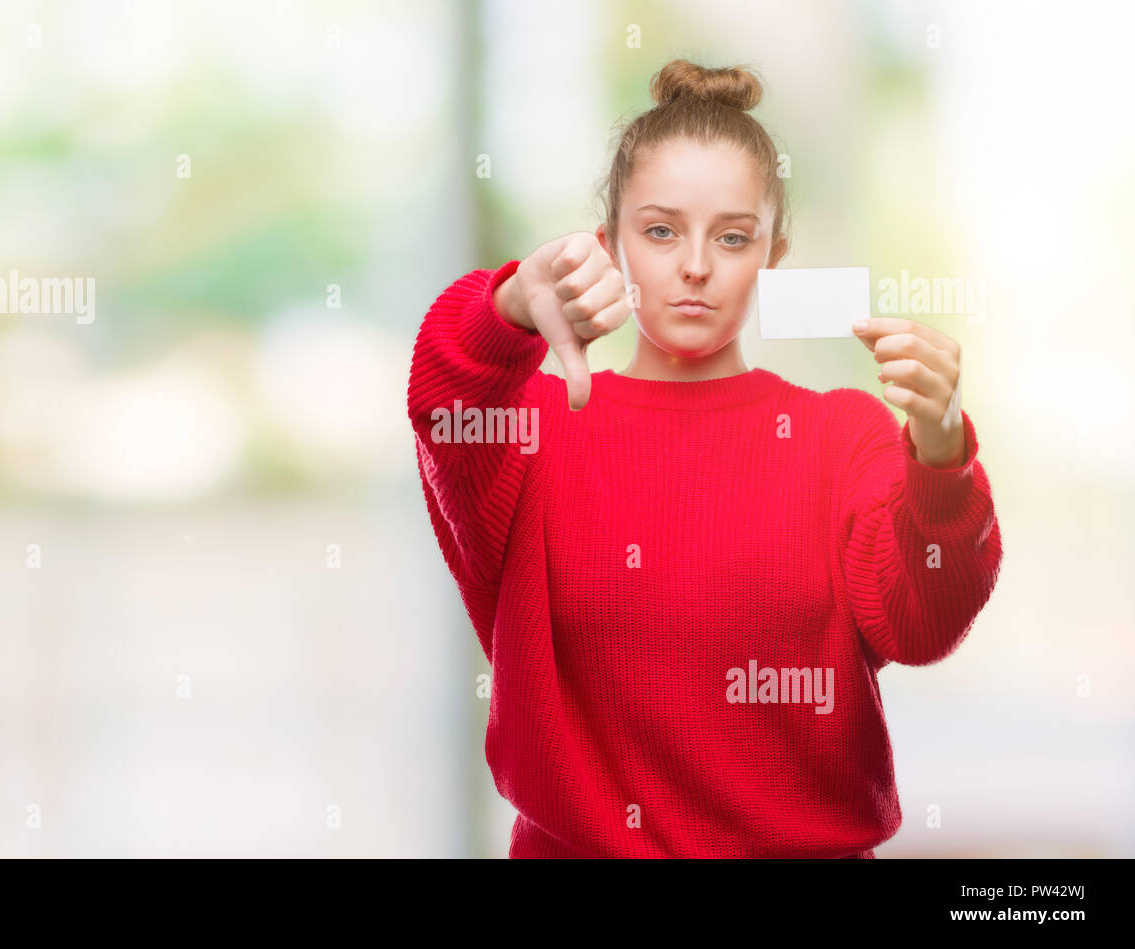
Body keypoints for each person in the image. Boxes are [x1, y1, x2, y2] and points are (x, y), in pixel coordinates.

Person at [406, 59, 1003, 858]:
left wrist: (941, 455)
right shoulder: (535, 432)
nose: (694, 266)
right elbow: (444, 402)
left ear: (773, 255)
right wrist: (508, 303)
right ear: (608, 244)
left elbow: (924, 623)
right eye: (659, 231)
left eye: (731, 236)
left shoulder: (843, 436)